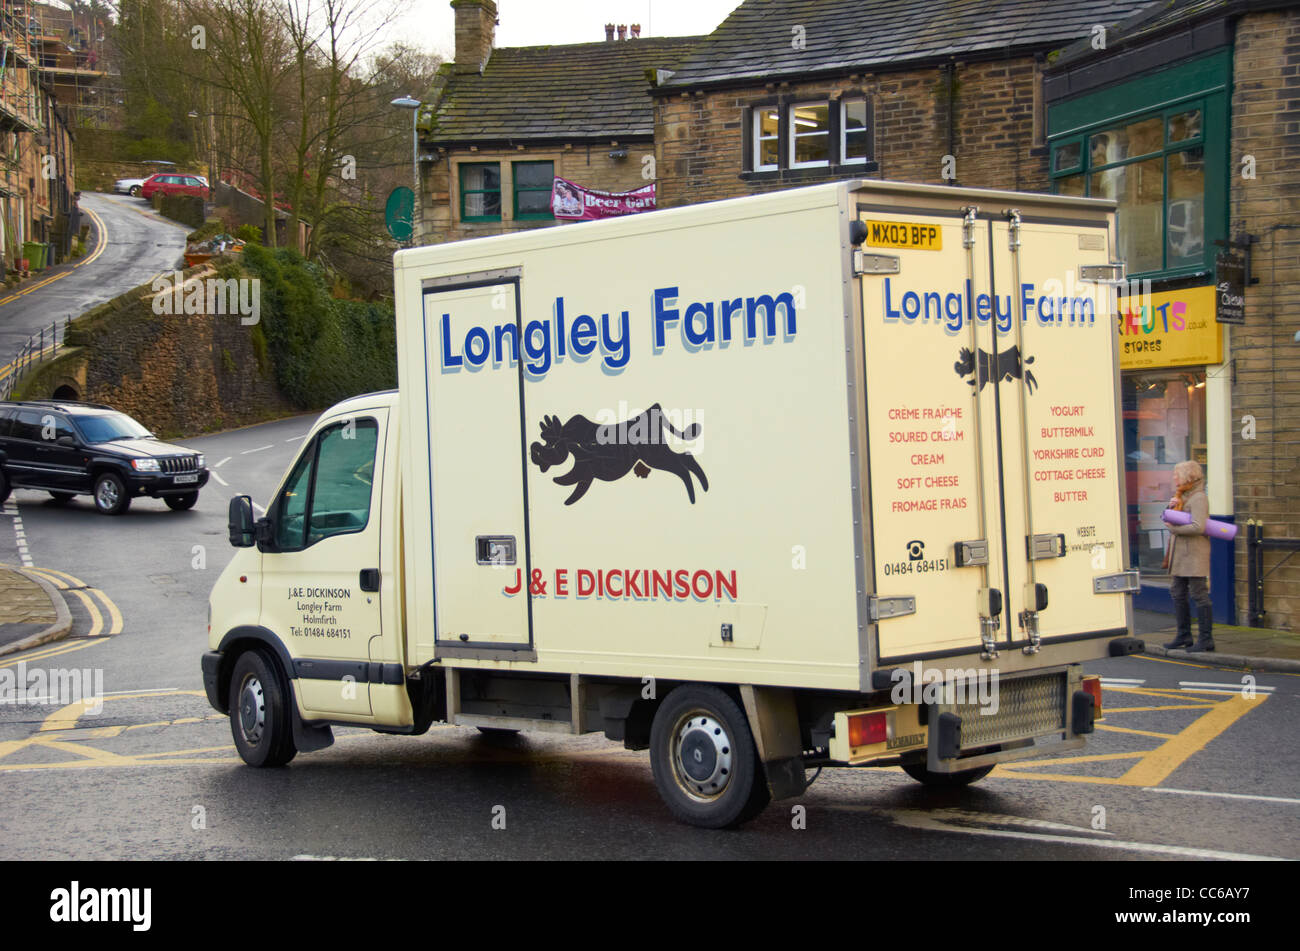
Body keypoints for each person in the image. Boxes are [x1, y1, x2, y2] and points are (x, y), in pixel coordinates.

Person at [1162, 459, 1214, 652]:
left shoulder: (1198, 497)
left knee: (1199, 594)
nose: (1174, 478)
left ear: (1188, 476)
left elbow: (1198, 527)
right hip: (1181, 555)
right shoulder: (1182, 496)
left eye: (1177, 474)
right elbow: (1170, 519)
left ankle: (1206, 639)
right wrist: (1170, 507)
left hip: (1194, 554)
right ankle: (1184, 635)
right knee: (1177, 593)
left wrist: (1175, 530)